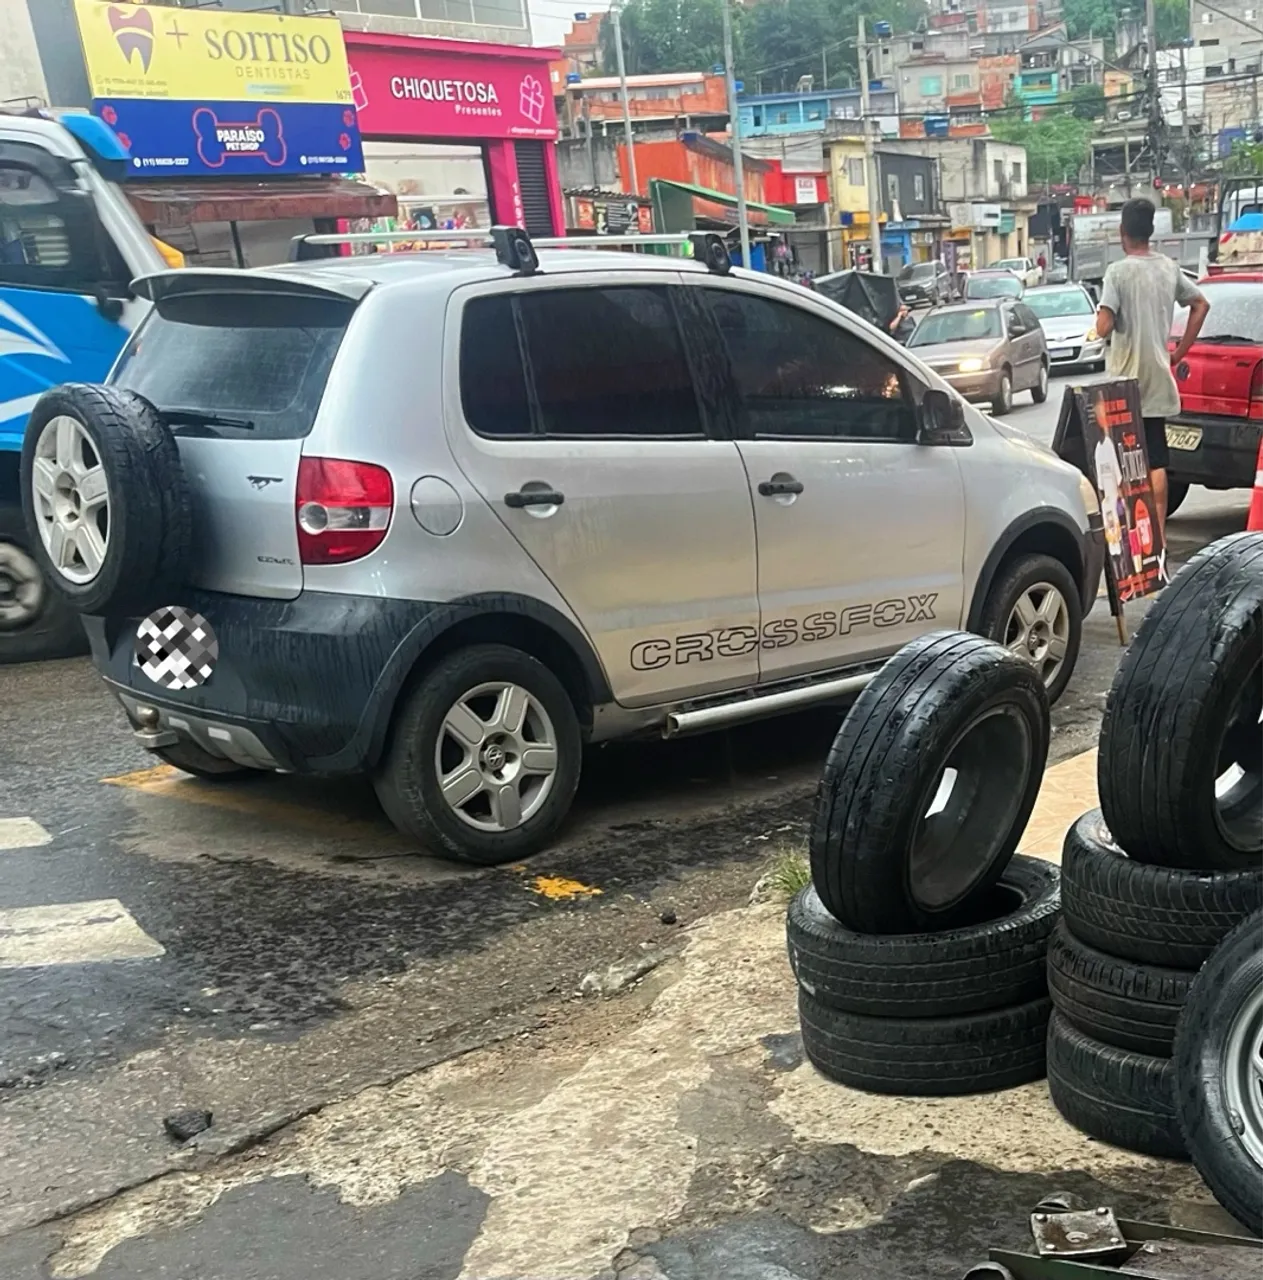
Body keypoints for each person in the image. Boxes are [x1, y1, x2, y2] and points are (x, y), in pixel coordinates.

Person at [1095, 198, 1210, 536]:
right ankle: (1156, 534)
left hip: (1123, 386)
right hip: (1159, 378)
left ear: (1122, 232)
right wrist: (1178, 352)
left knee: (1124, 462)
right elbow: (1201, 304)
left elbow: (1103, 326)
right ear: (1150, 231)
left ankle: (1133, 535)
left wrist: (1103, 319)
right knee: (1156, 459)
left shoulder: (1117, 272)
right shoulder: (1168, 268)